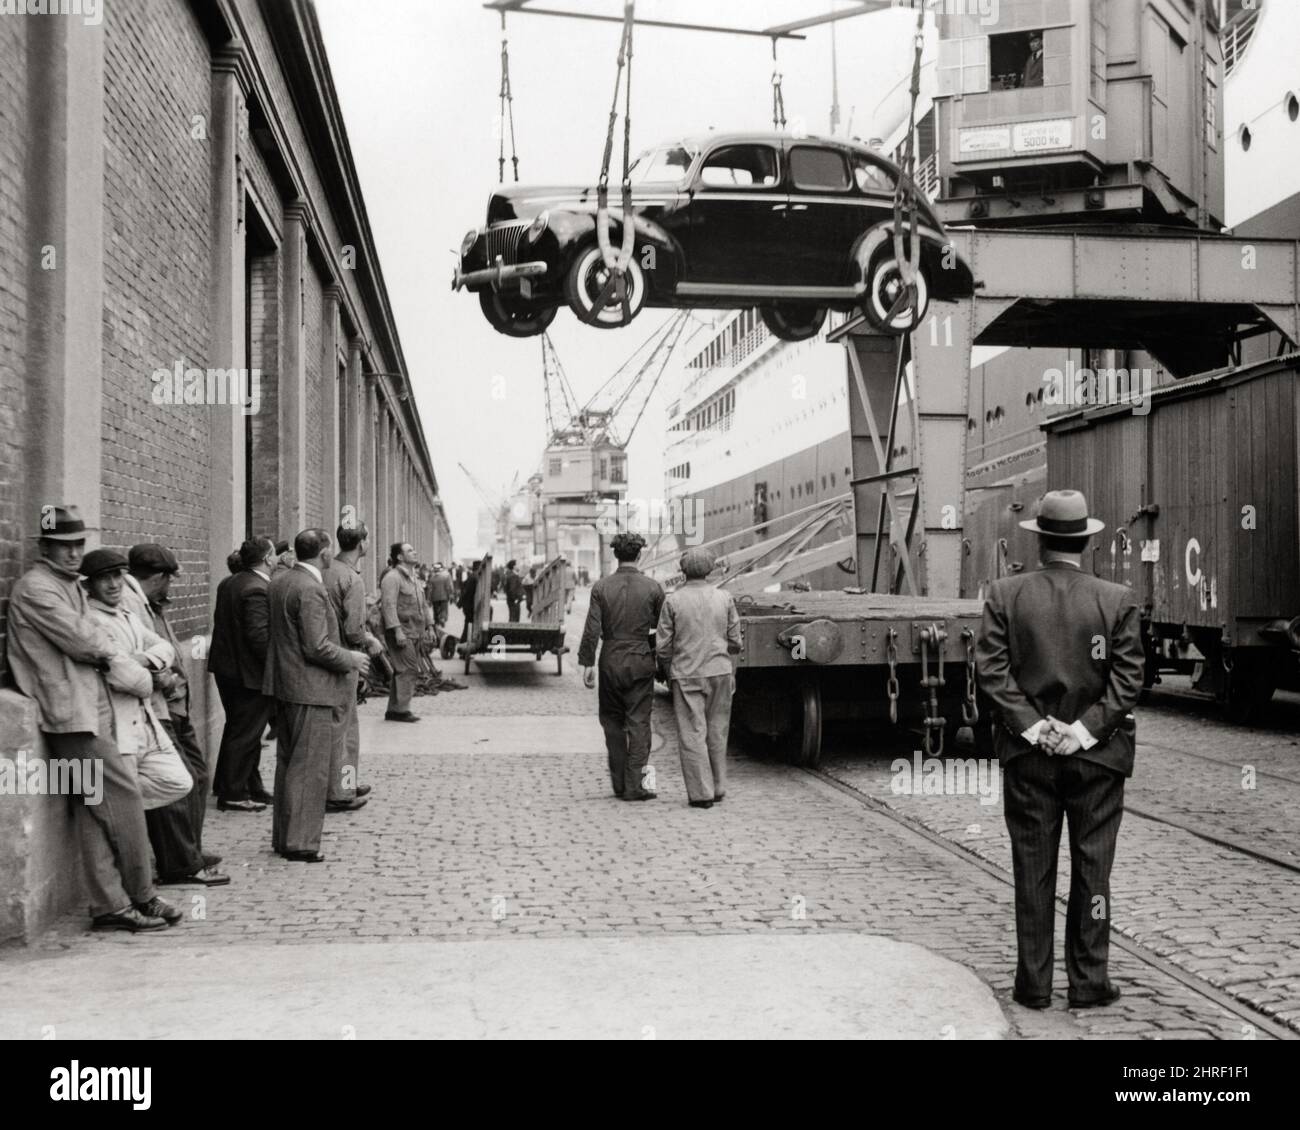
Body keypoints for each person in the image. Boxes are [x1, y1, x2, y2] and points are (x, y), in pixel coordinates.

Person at [975, 489, 1145, 1011]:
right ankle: (1090, 982)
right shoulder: (1116, 600)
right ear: (1087, 541)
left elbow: (991, 671)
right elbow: (1129, 678)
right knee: (1093, 870)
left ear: (1041, 539)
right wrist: (1083, 730)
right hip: (1098, 759)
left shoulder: (1005, 595)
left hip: (1029, 760)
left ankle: (1034, 985)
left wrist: (1033, 727)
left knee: (1032, 870)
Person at [6, 505, 180, 931]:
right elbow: (86, 642)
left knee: (92, 809)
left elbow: (101, 640)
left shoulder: (70, 587)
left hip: (89, 709)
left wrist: (112, 650)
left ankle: (110, 905)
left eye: (78, 546)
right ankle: (142, 895)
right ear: (44, 547)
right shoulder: (37, 589)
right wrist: (118, 655)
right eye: (63, 547)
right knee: (123, 800)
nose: (72, 555)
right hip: (70, 716)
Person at [121, 543, 226, 888]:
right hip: (157, 705)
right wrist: (162, 677)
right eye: (169, 579)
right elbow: (132, 657)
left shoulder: (151, 603)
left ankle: (189, 851)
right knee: (177, 785)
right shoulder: (131, 603)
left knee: (196, 776)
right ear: (161, 577)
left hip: (174, 703)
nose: (171, 587)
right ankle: (180, 863)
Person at [263, 528, 369, 862]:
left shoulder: (281, 580)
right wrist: (351, 659)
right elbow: (316, 646)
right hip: (311, 689)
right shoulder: (311, 589)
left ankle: (285, 836)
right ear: (324, 554)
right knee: (310, 769)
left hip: (285, 685)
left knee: (289, 765)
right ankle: (301, 842)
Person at [81, 550, 197, 818]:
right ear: (88, 585)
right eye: (103, 579)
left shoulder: (125, 615)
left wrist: (142, 660)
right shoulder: (93, 621)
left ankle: (110, 799)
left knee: (179, 780)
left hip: (144, 723)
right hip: (117, 727)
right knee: (122, 821)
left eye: (117, 576)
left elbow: (164, 647)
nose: (113, 585)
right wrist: (150, 675)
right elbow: (131, 680)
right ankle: (109, 803)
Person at [578, 532, 664, 801]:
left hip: (610, 659)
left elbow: (592, 629)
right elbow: (663, 629)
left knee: (612, 723)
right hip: (640, 658)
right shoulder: (653, 588)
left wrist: (587, 663)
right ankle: (636, 786)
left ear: (616, 555)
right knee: (639, 723)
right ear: (639, 555)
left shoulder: (601, 588)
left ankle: (618, 784)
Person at [656, 547, 740, 809]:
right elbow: (735, 641)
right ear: (710, 569)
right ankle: (719, 786)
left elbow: (662, 646)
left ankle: (701, 794)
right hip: (720, 671)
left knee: (692, 732)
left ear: (683, 571)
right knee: (717, 729)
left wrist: (671, 672)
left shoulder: (673, 601)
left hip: (687, 673)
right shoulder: (724, 598)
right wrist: (731, 670)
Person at [209, 536, 275, 812]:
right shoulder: (257, 588)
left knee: (238, 728)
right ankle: (234, 793)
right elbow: (258, 636)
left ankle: (242, 785)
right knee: (246, 734)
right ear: (268, 559)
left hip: (226, 669)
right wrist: (274, 665)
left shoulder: (231, 582)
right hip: (248, 674)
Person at [322, 520, 383, 811]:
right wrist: (369, 641)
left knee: (333, 725)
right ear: (361, 544)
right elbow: (354, 627)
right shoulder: (353, 579)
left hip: (323, 657)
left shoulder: (324, 571)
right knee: (345, 728)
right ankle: (341, 791)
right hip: (346, 658)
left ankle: (343, 783)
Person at [380, 541, 430, 722]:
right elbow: (388, 605)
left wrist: (429, 626)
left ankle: (394, 709)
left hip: (414, 630)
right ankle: (401, 710)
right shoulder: (392, 578)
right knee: (409, 669)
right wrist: (397, 631)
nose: (414, 552)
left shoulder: (413, 578)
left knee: (402, 670)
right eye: (410, 550)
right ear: (400, 557)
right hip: (401, 632)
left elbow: (423, 604)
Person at [426, 561, 453, 629]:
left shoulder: (432, 578)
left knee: (436, 610)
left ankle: (437, 622)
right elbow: (448, 587)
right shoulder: (446, 576)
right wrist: (450, 595)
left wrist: (428, 599)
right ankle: (443, 619)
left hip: (434, 597)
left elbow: (430, 589)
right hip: (444, 596)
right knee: (444, 609)